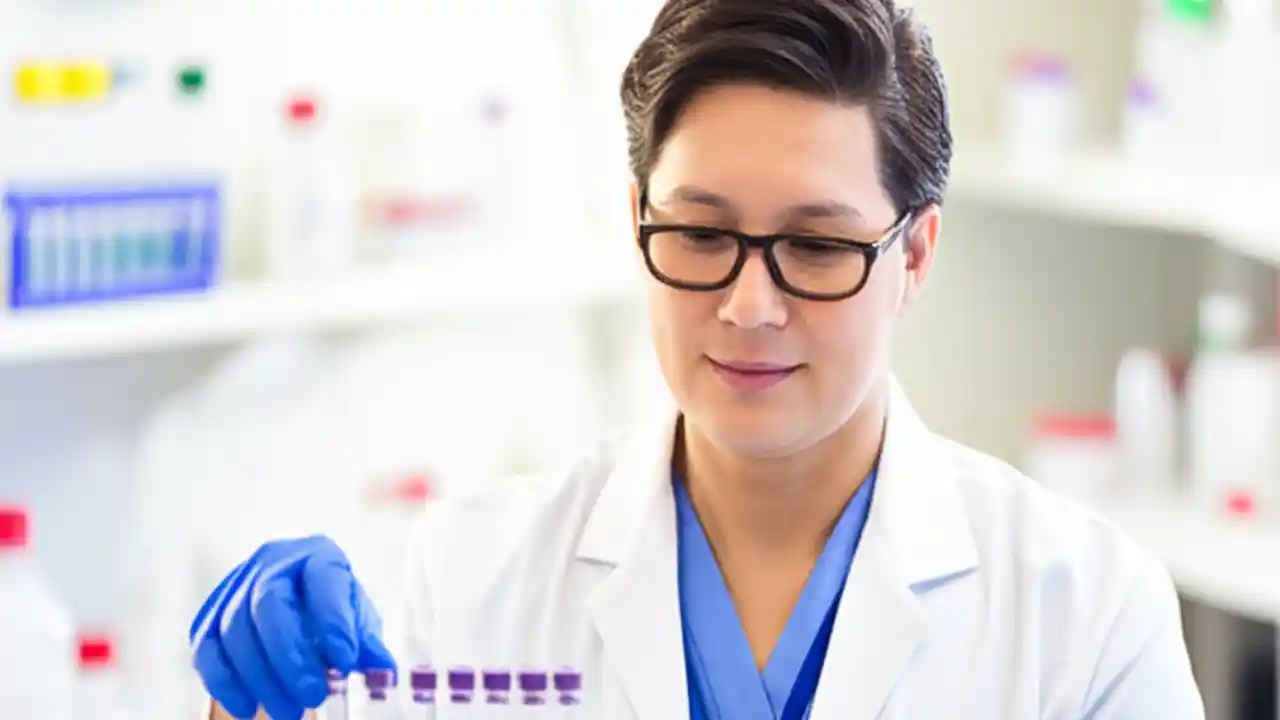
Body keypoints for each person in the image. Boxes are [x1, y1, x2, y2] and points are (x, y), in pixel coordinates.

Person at [191, 1, 1206, 718]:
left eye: (815, 247)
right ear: (638, 220)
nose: (747, 305)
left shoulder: (1081, 619)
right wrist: (245, 714)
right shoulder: (471, 581)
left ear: (915, 255)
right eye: (699, 235)